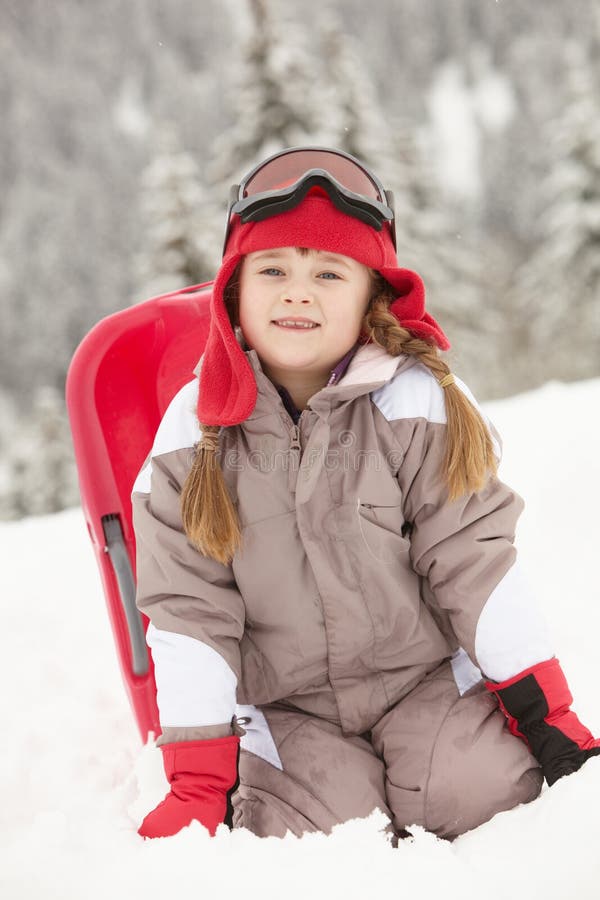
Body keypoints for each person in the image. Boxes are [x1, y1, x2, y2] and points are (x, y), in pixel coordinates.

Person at [132, 146, 600, 842]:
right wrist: (200, 777)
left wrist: (546, 710)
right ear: (233, 289)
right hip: (287, 708)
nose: (298, 292)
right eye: (273, 271)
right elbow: (188, 610)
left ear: (371, 295)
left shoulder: (417, 405)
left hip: (424, 681)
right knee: (311, 841)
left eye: (328, 272)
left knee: (486, 794)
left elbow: (474, 563)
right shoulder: (191, 436)